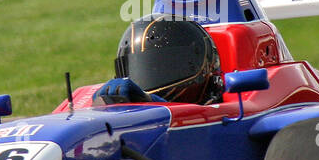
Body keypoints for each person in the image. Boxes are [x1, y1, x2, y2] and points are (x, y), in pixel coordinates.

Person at [93, 15, 224, 106]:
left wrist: (148, 100)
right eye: (141, 68)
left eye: (165, 67)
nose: (150, 74)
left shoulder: (233, 111)